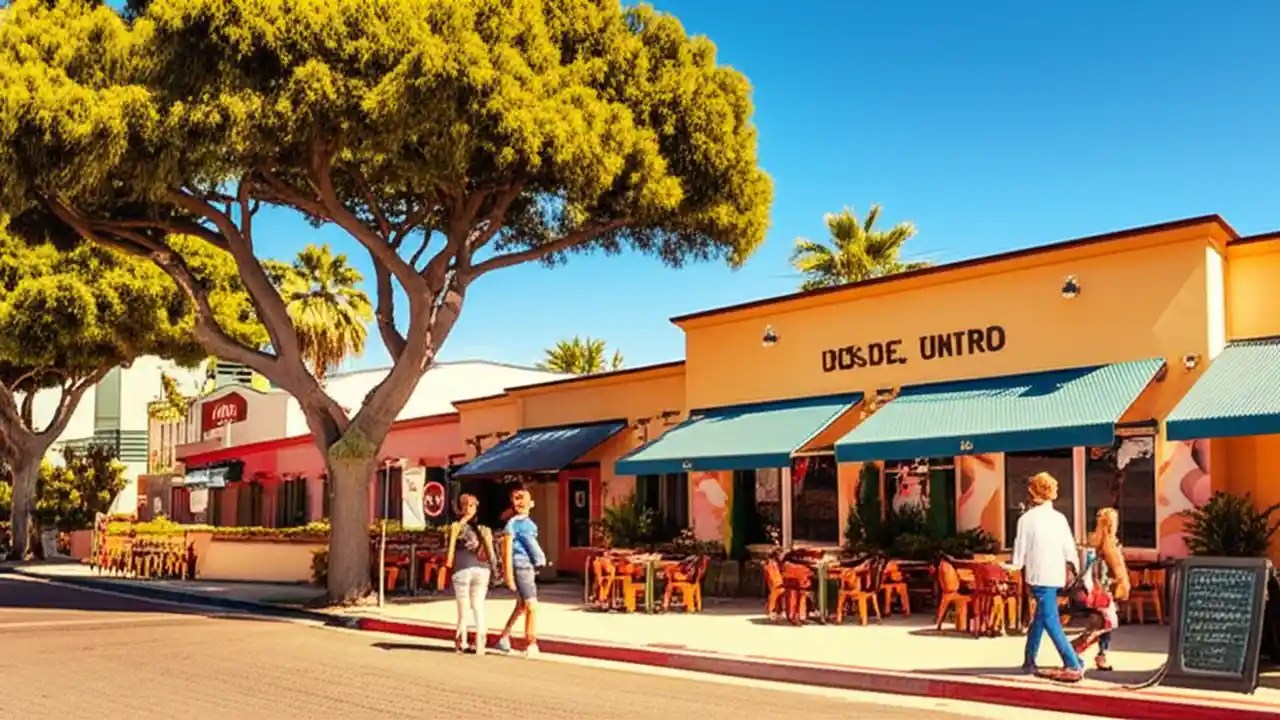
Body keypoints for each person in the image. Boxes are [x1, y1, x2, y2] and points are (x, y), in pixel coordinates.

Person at [1011, 472, 1084, 682]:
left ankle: (1072, 662)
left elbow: (1020, 551)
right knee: (1042, 617)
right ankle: (1029, 659)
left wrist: (1014, 566)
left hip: (1038, 575)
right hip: (1056, 575)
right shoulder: (1059, 518)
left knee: (1050, 620)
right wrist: (1074, 569)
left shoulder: (1026, 519)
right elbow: (1069, 549)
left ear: (1033, 493)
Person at [1071, 507, 1131, 671]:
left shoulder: (1095, 542)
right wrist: (1119, 584)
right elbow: (1116, 569)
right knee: (1103, 624)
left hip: (1096, 590)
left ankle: (1101, 655)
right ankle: (1074, 649)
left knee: (1104, 624)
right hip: (1104, 591)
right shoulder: (1109, 545)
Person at [495, 485, 548, 657]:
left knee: (522, 605)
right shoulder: (513, 524)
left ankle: (504, 636)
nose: (520, 501)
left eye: (523, 498)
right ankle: (531, 643)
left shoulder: (529, 525)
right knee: (532, 605)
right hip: (520, 566)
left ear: (531, 503)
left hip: (528, 566)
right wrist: (508, 574)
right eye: (516, 498)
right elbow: (507, 548)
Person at [444, 493, 497, 655]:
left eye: (470, 505)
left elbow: (451, 551)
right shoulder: (484, 528)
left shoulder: (457, 527)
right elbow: (492, 555)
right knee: (477, 605)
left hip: (462, 570)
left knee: (463, 607)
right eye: (466, 505)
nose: (468, 508)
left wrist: (448, 564)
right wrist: (494, 569)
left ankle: (462, 640)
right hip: (482, 570)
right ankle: (481, 639)